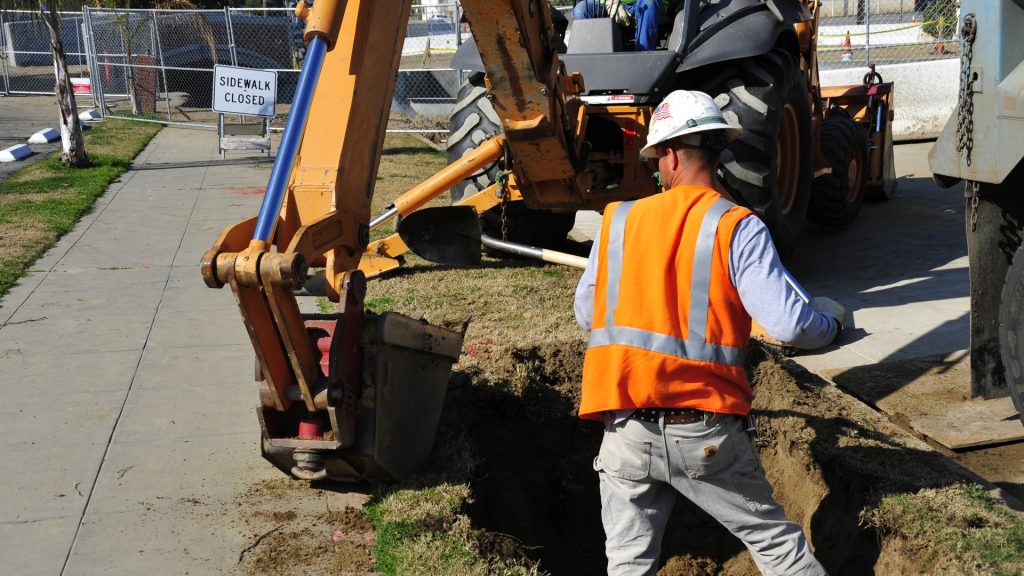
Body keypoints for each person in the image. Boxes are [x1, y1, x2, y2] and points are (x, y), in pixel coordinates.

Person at [574, 89, 844, 576]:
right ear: (718, 148)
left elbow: (585, 313)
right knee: (776, 546)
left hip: (625, 430)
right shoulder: (735, 226)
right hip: (703, 433)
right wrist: (832, 323)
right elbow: (790, 323)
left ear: (670, 154)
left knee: (628, 564)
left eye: (656, 159)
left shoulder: (618, 222)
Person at [572, 0, 676, 51]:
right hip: (613, 3)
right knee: (581, 10)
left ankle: (642, 58)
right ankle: (596, 59)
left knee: (649, 3)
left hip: (647, 3)